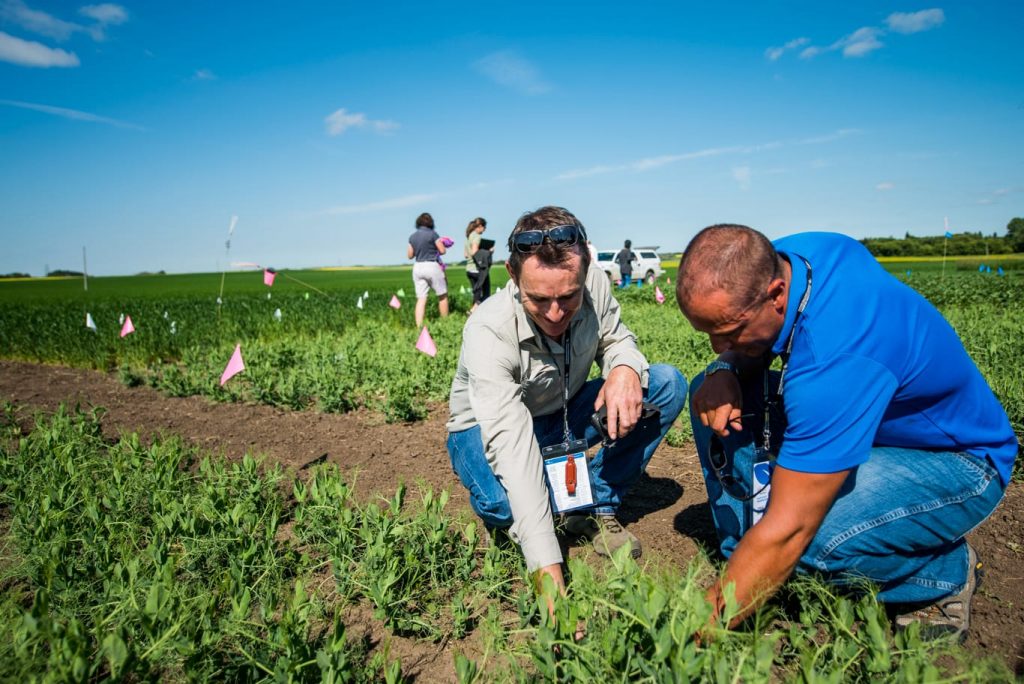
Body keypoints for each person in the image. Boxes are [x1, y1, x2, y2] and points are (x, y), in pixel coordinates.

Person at [675, 225, 1017, 642]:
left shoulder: (835, 362)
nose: (716, 346)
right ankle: (747, 559)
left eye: (729, 332)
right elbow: (732, 356)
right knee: (710, 389)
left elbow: (792, 530)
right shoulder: (797, 256)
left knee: (808, 544)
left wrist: (692, 637)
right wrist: (727, 367)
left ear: (776, 295)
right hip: (867, 425)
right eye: (708, 332)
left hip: (956, 460)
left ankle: (944, 570)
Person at [447, 206, 687, 597]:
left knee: (664, 384)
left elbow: (615, 337)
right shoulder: (488, 331)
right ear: (512, 273)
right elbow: (510, 443)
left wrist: (623, 366)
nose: (556, 314)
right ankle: (548, 503)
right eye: (539, 299)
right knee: (503, 506)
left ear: (587, 267)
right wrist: (549, 577)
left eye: (569, 297)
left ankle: (593, 503)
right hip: (486, 428)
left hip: (564, 412)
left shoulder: (594, 282)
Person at [407, 212, 449, 327]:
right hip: (432, 265)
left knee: (421, 298)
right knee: (442, 295)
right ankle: (446, 323)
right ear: (431, 223)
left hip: (418, 267)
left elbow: (410, 255)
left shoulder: (412, 236)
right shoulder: (433, 234)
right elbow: (442, 251)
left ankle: (419, 326)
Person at [464, 217, 492, 312]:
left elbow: (466, 255)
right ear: (480, 226)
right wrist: (488, 251)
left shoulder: (469, 236)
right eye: (484, 227)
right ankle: (473, 311)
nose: (485, 229)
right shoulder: (476, 236)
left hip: (469, 269)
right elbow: (474, 252)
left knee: (476, 293)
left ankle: (474, 313)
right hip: (478, 269)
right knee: (486, 293)